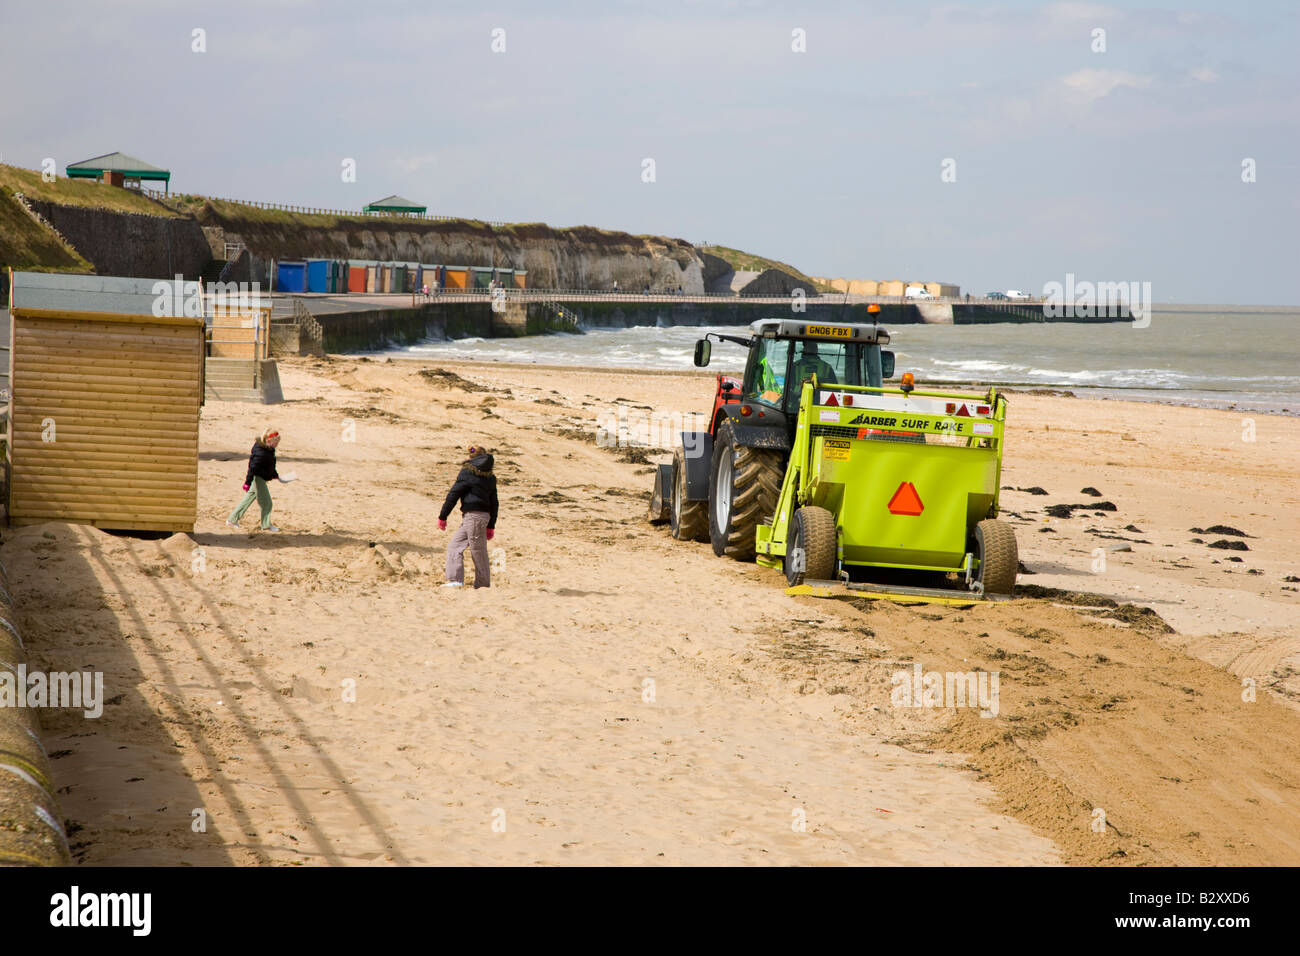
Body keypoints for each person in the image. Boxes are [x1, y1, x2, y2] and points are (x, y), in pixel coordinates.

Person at [438, 444, 499, 588]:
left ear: (472, 458)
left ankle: (483, 585)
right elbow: (494, 503)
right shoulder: (490, 477)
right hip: (475, 518)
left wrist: (443, 516)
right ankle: (455, 581)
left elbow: (453, 494)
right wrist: (491, 525)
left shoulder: (467, 472)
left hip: (474, 517)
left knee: (478, 551)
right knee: (455, 546)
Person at [227, 428, 291, 531]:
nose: (277, 444)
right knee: (267, 503)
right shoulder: (262, 453)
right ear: (269, 440)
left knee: (248, 499)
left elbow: (270, 465)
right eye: (276, 442)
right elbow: (253, 468)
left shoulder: (268, 450)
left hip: (260, 477)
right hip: (258, 479)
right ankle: (266, 525)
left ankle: (232, 520)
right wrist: (247, 482)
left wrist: (275, 475)